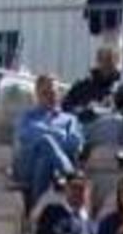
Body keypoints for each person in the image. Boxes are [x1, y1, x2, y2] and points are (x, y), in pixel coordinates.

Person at [12, 74, 85, 212]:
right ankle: (70, 175)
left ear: (59, 94)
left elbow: (76, 144)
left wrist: (45, 134)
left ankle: (36, 209)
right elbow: (24, 136)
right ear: (37, 95)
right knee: (46, 141)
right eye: (45, 93)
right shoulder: (27, 116)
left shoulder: (69, 119)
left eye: (53, 93)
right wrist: (57, 135)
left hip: (48, 166)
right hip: (28, 165)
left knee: (45, 157)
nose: (50, 97)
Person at [64, 44, 123, 149]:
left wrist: (113, 110)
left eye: (110, 60)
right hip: (85, 126)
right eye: (103, 60)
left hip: (111, 128)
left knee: (115, 122)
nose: (107, 64)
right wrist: (86, 111)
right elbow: (66, 107)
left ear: (117, 62)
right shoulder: (83, 85)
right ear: (98, 61)